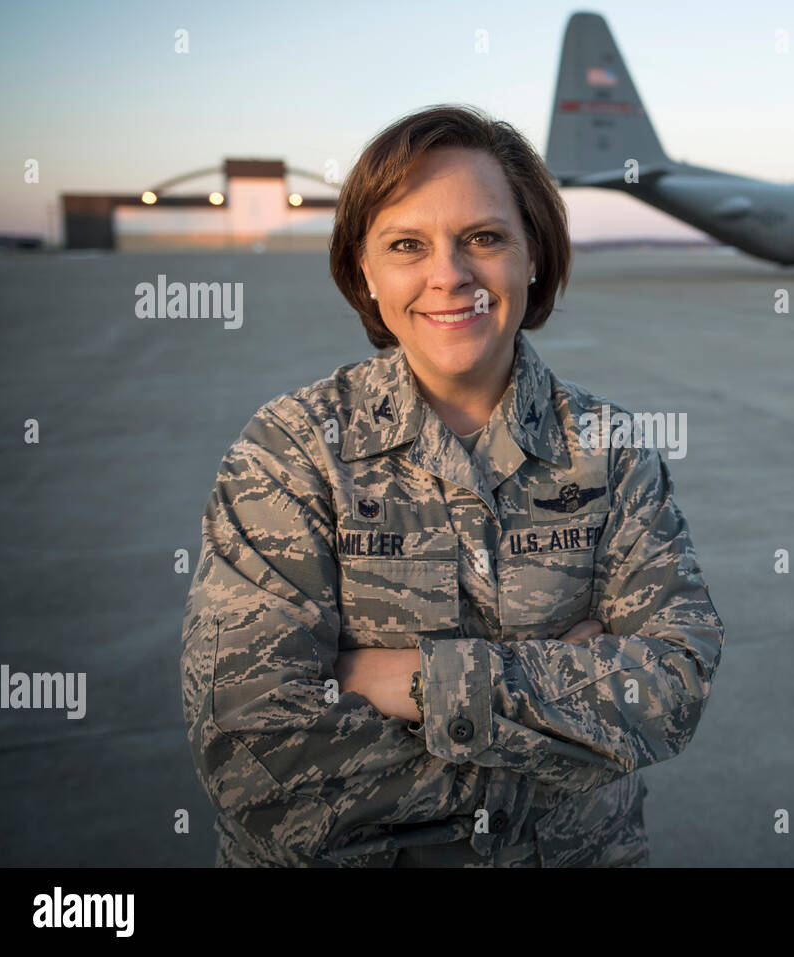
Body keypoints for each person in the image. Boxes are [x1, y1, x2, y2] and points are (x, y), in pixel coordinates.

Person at [179, 104, 725, 867]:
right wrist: (563, 722)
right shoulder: (291, 452)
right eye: (408, 244)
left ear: (532, 255)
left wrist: (398, 682)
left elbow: (672, 685)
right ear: (364, 272)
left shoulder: (610, 450)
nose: (450, 274)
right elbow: (251, 754)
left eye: (484, 237)